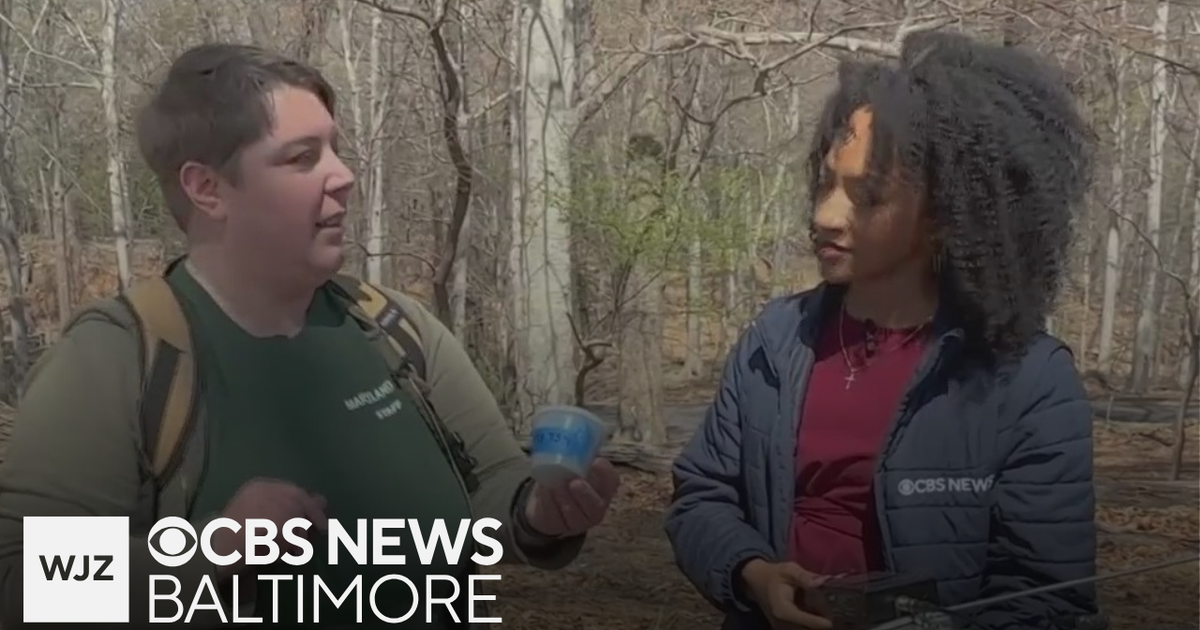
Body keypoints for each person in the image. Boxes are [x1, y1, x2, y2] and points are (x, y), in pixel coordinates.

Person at [0, 43, 618, 629]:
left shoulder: (393, 328)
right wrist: (206, 553)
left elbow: (493, 487)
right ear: (206, 188)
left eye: (335, 150)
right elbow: (22, 580)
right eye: (302, 158)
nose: (343, 175)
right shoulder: (119, 356)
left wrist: (539, 511)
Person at [665, 31, 1100, 630]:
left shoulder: (1027, 379)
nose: (825, 215)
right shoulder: (775, 341)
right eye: (826, 183)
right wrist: (754, 574)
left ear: (947, 215)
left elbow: (1046, 596)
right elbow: (702, 496)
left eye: (867, 196)